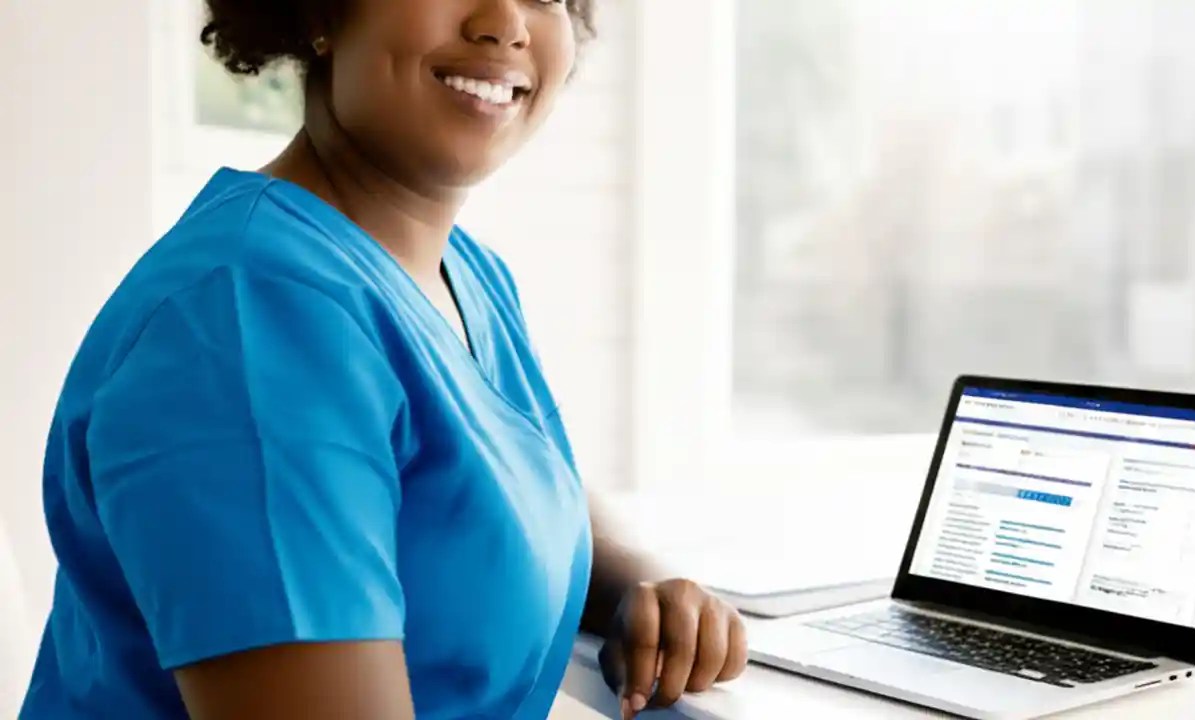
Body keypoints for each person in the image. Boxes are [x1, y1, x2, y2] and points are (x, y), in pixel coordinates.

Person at [20, 1, 747, 718]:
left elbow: (499, 495)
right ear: (322, 12)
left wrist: (650, 589)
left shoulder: (464, 276)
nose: (505, 22)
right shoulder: (249, 321)